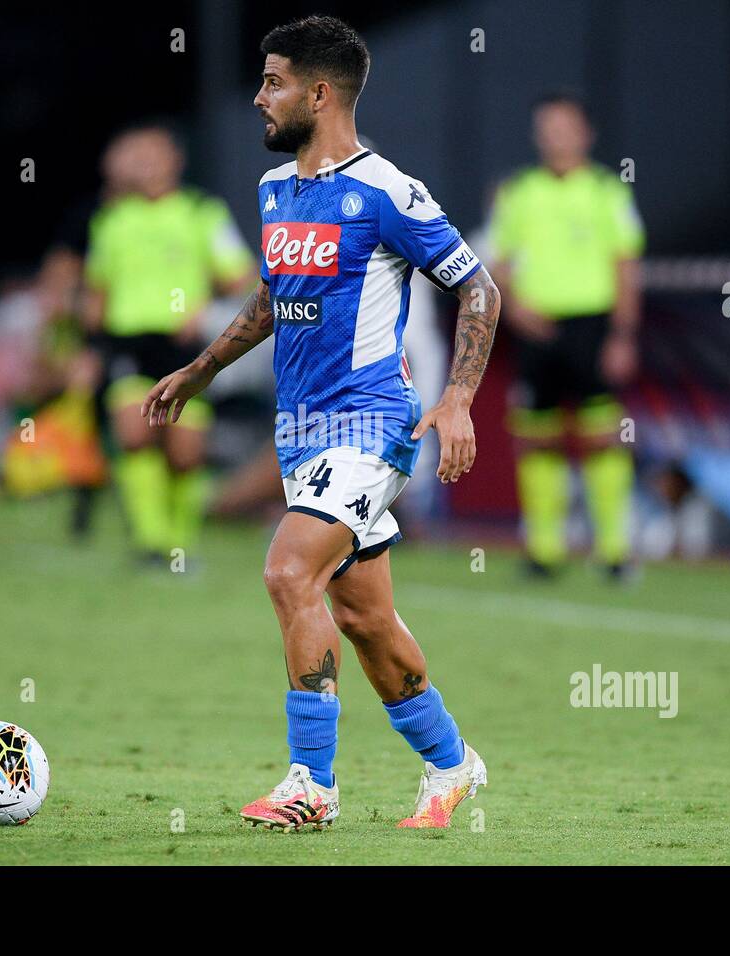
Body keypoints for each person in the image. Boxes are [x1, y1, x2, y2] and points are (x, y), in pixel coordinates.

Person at [143, 16, 500, 830]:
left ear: (319, 92)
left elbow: (479, 288)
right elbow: (275, 296)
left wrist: (460, 399)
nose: (260, 99)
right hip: (300, 432)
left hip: (371, 424)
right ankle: (453, 765)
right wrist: (202, 371)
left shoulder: (387, 192)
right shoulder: (277, 191)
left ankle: (313, 784)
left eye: (271, 83)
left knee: (285, 572)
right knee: (365, 618)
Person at [488, 92, 644, 579]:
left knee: (602, 437)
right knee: (537, 439)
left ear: (585, 133)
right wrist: (514, 307)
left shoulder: (606, 191)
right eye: (547, 128)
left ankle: (614, 551)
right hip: (537, 329)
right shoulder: (518, 192)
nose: (556, 137)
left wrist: (622, 334)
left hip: (592, 326)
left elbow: (626, 264)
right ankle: (544, 550)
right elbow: (498, 262)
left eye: (565, 127)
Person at [83, 126, 255, 560]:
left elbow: (242, 275)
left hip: (184, 349)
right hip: (128, 343)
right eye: (138, 157)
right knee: (134, 437)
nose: (145, 165)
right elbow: (97, 292)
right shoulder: (113, 219)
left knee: (184, 455)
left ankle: (180, 546)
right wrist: (86, 347)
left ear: (175, 161)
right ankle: (150, 543)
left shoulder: (201, 212)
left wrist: (204, 309)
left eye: (154, 155)